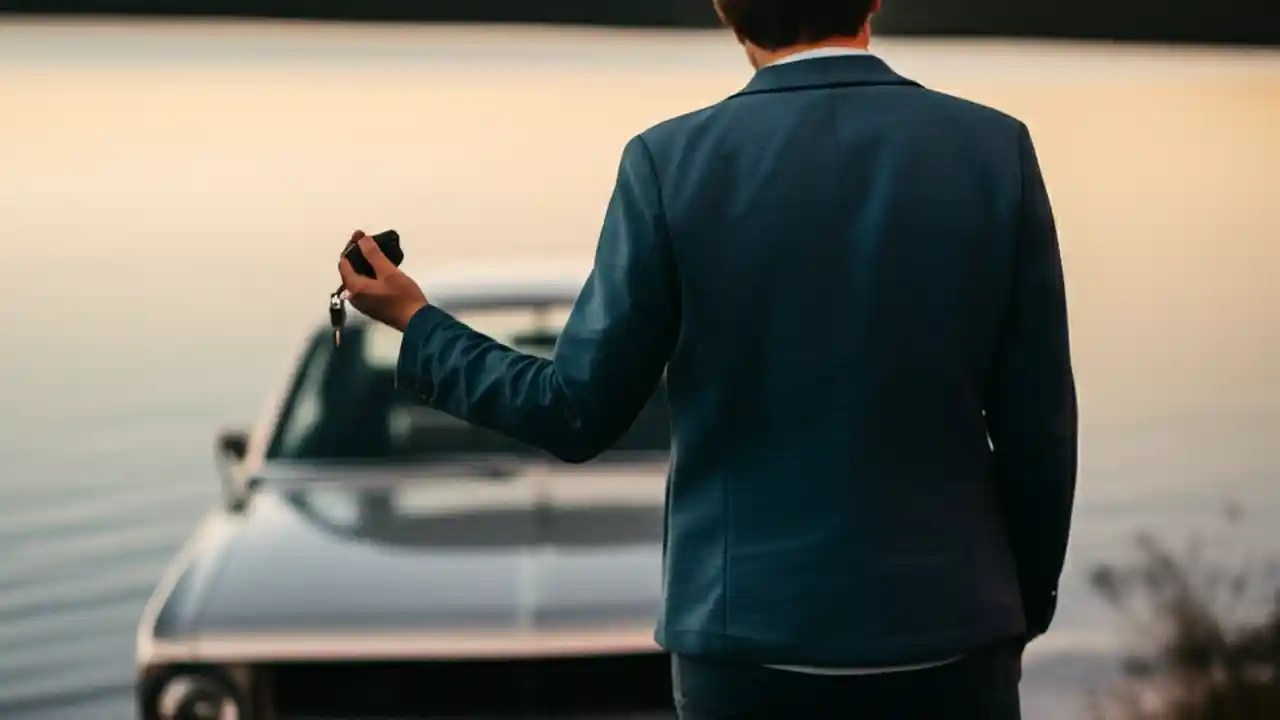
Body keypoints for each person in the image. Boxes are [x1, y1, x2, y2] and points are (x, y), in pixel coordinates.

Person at [337, 0, 1077, 716]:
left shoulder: (670, 162)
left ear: (727, 10)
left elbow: (572, 410)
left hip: (746, 645)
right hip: (951, 636)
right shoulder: (993, 150)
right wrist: (1022, 605)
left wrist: (417, 321)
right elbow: (1039, 432)